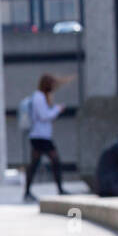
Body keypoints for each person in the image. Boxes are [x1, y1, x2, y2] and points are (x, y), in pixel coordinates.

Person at [23, 72, 73, 202]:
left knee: (37, 164)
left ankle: (28, 192)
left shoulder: (42, 96)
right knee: (53, 161)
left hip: (42, 136)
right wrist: (57, 110)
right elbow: (44, 116)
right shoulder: (39, 97)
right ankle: (59, 189)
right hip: (40, 136)